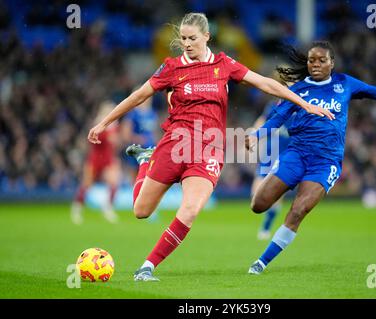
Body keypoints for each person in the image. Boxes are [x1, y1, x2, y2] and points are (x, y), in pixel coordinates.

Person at [87, 13, 333, 282]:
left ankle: (147, 267)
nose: (187, 44)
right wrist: (104, 122)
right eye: (183, 39)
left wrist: (303, 103)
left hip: (208, 151)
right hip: (174, 145)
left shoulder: (223, 64)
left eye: (192, 38)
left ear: (207, 37)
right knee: (140, 211)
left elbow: (264, 82)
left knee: (190, 210)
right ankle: (146, 161)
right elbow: (137, 96)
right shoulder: (171, 68)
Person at [245, 41, 376, 275]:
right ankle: (275, 198)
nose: (316, 64)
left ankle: (261, 262)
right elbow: (276, 118)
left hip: (326, 162)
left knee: (298, 210)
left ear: (332, 63)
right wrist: (256, 135)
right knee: (258, 205)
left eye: (322, 60)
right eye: (312, 60)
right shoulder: (298, 90)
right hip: (296, 154)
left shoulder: (345, 83)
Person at [71, 101, 121, 225]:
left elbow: (115, 142)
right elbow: (96, 140)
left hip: (108, 158)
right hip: (95, 158)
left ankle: (107, 209)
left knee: (114, 183)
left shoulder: (114, 125)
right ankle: (77, 209)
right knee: (87, 184)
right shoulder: (98, 123)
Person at [251, 97, 293, 240]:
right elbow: (262, 120)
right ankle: (267, 218)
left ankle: (266, 226)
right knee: (255, 192)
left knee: (276, 194)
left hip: (287, 156)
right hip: (269, 153)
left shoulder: (301, 105)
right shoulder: (274, 104)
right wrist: (253, 134)